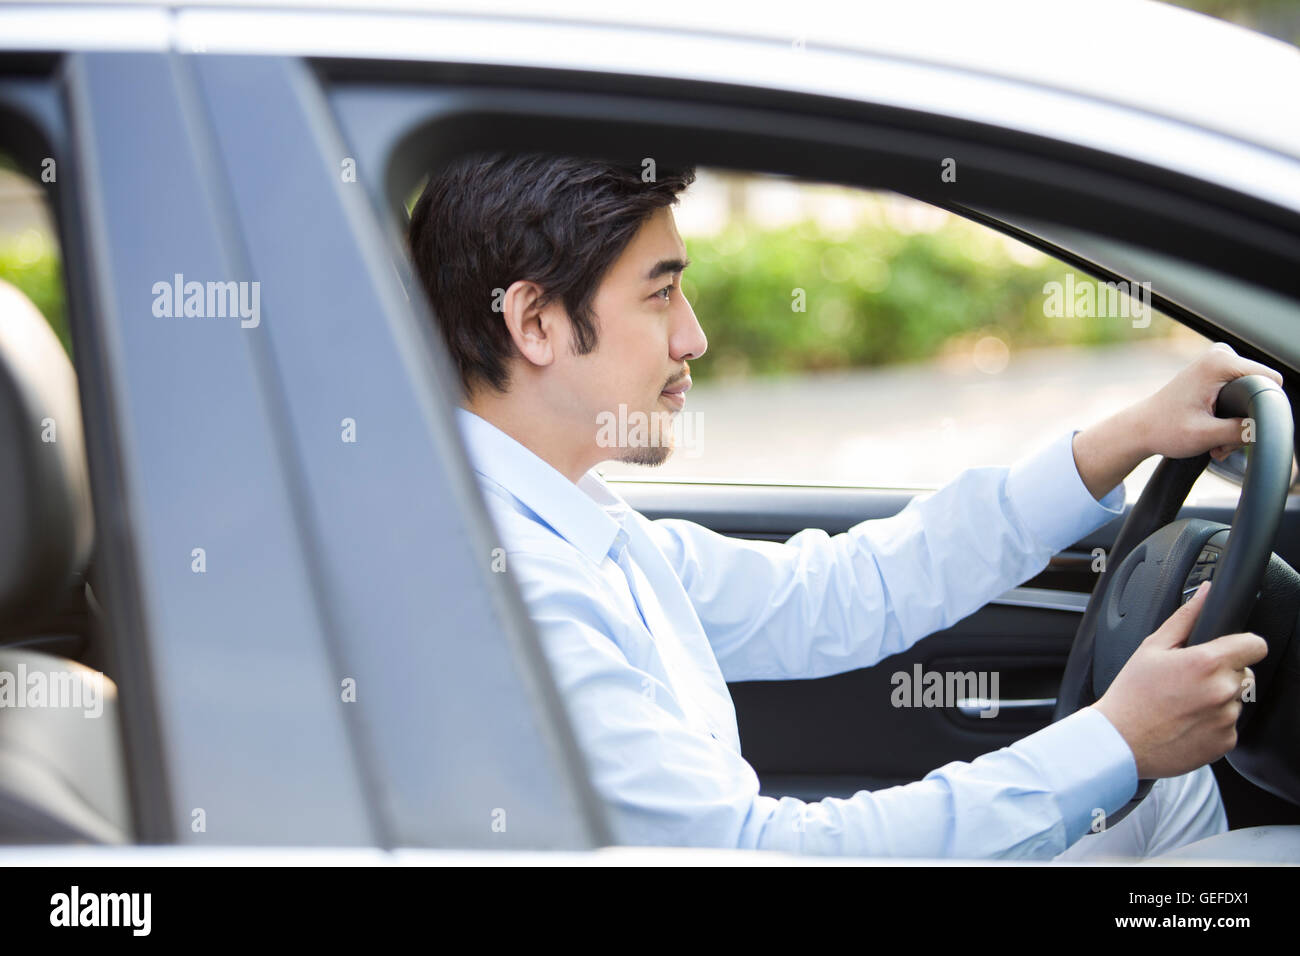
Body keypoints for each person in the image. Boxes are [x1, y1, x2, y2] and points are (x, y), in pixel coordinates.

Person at [407, 152, 1273, 858]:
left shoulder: (572, 522)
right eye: (661, 292)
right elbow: (754, 852)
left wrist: (1121, 440)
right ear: (534, 323)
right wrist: (1117, 740)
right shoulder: (512, 596)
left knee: (1173, 787)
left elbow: (836, 590)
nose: (693, 337)